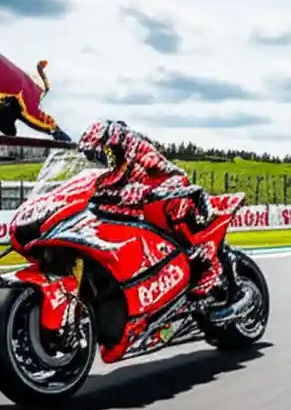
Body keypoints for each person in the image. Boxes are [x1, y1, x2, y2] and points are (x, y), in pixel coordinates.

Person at [76, 119, 225, 302]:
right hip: (142, 188)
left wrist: (121, 191)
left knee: (167, 211)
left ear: (113, 142)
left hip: (167, 182)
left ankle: (203, 263)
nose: (101, 159)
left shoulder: (133, 147)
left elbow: (126, 177)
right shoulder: (116, 158)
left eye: (101, 152)